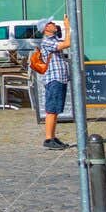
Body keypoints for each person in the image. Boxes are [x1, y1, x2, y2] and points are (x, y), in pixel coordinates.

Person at [39, 19, 72, 150]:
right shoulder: (46, 41)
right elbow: (68, 43)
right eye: (50, 23)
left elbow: (64, 43)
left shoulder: (53, 40)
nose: (54, 25)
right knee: (51, 110)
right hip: (54, 79)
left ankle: (52, 137)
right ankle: (48, 139)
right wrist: (67, 27)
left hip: (60, 78)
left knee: (56, 110)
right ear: (45, 28)